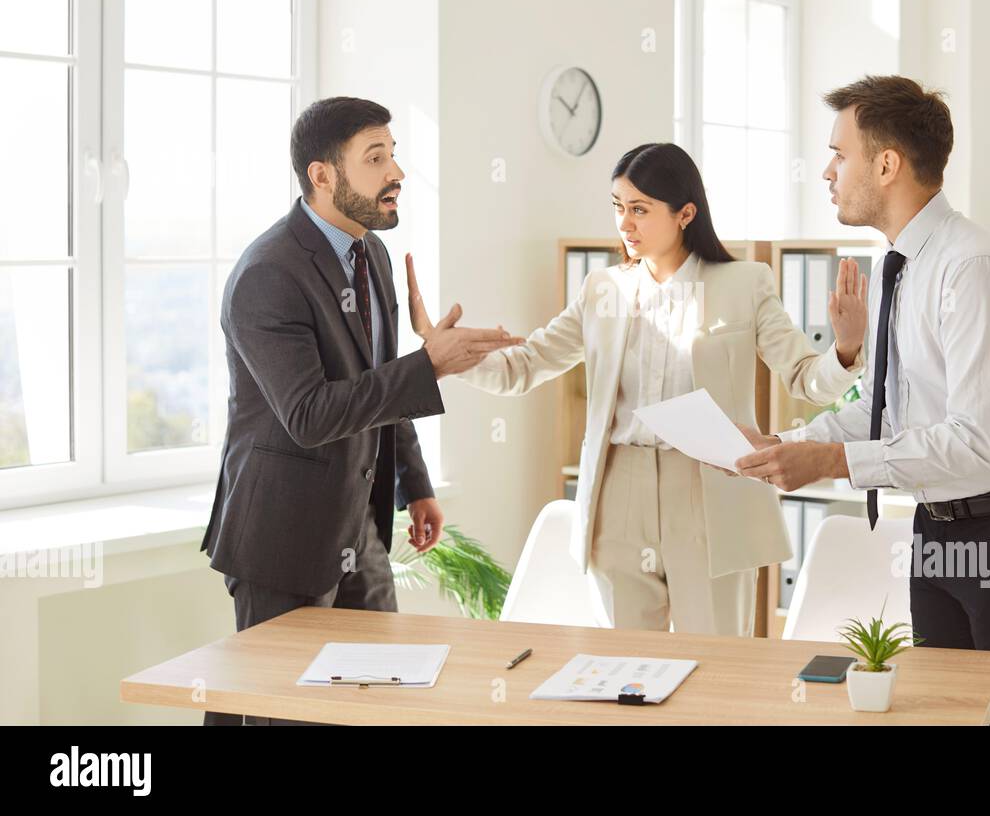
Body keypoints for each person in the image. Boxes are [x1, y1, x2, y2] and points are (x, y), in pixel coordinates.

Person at [734, 75, 990, 725]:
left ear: (887, 164)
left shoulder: (972, 266)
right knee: (939, 712)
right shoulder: (900, 266)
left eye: (840, 154)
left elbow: (974, 440)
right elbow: (884, 408)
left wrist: (833, 464)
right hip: (939, 524)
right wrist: (787, 446)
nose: (826, 171)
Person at [406, 142, 867, 636]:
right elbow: (525, 366)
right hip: (618, 492)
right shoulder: (602, 290)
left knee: (713, 661)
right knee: (626, 667)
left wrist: (845, 348)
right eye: (618, 208)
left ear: (685, 213)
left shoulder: (745, 283)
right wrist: (444, 354)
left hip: (709, 486)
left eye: (641, 210)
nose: (625, 224)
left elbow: (805, 378)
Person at [200, 96, 521, 724]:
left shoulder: (370, 254)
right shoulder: (268, 274)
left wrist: (415, 483)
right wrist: (430, 365)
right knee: (280, 715)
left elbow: (376, 383)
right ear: (323, 176)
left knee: (377, 704)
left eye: (393, 154)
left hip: (360, 534)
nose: (396, 172)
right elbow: (312, 414)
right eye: (375, 158)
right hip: (281, 541)